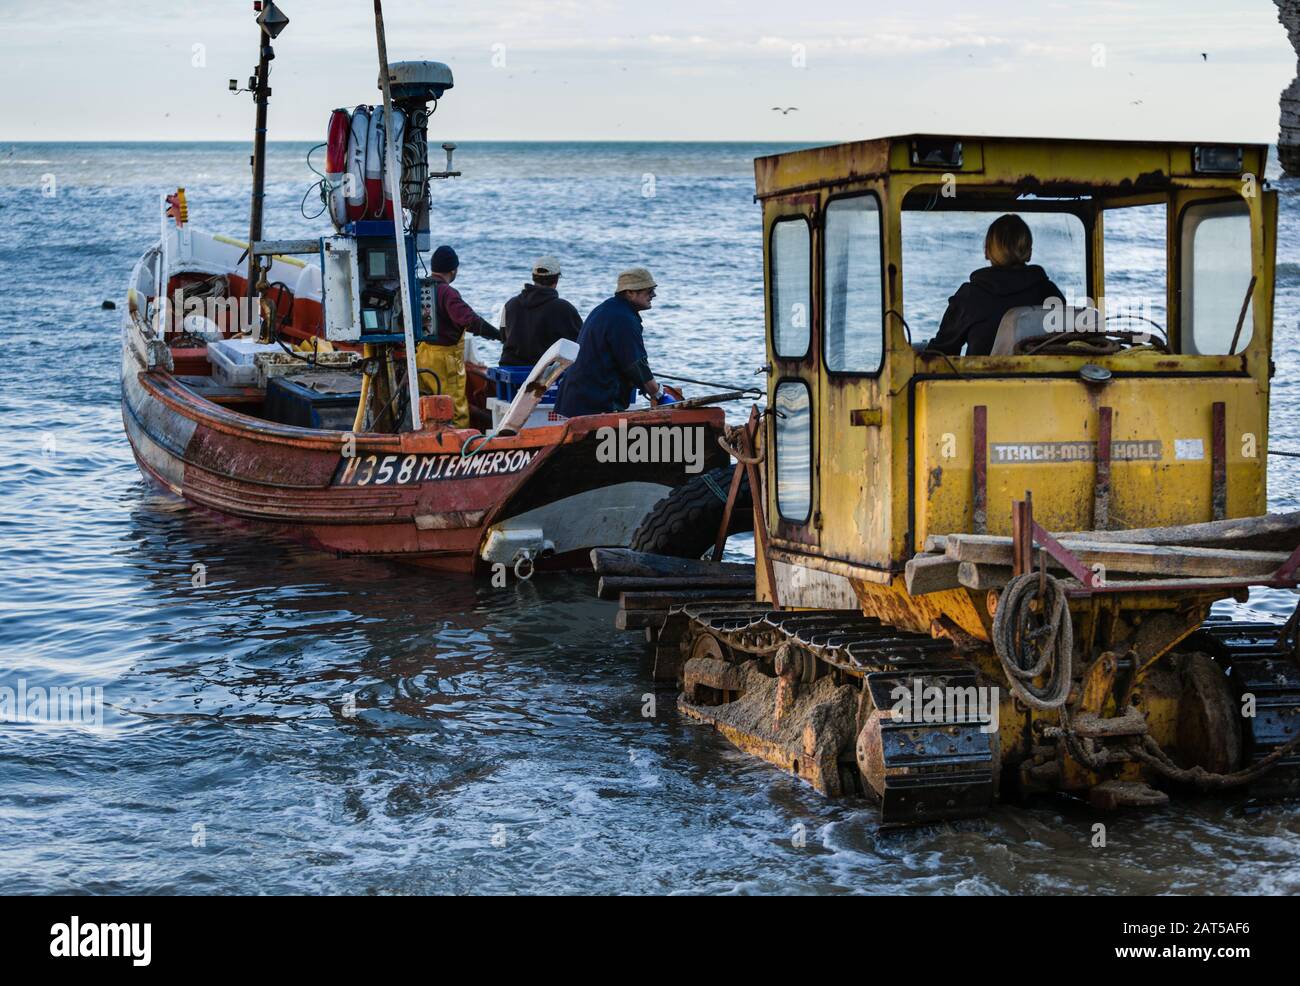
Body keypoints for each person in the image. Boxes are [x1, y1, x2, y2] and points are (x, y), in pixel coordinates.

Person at [927, 214, 1065, 356]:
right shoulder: (1050, 292)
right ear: (1029, 252)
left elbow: (941, 355)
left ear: (987, 251)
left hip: (979, 378)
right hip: (1045, 378)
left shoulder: (970, 296)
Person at [555, 267, 677, 417]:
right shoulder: (623, 319)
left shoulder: (607, 309)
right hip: (594, 404)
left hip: (575, 399)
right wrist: (658, 393)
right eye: (649, 291)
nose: (653, 295)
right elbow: (636, 365)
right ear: (630, 293)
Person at [416, 244, 502, 427]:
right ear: (453, 270)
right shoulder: (448, 292)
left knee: (428, 401)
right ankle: (460, 444)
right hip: (445, 361)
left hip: (422, 356)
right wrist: (497, 334)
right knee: (454, 406)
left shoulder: (419, 287)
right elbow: (468, 319)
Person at [499, 255, 583, 368]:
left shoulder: (510, 305)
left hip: (510, 371)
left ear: (533, 278)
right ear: (556, 280)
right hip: (544, 376)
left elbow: (503, 337)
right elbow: (580, 344)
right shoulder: (564, 309)